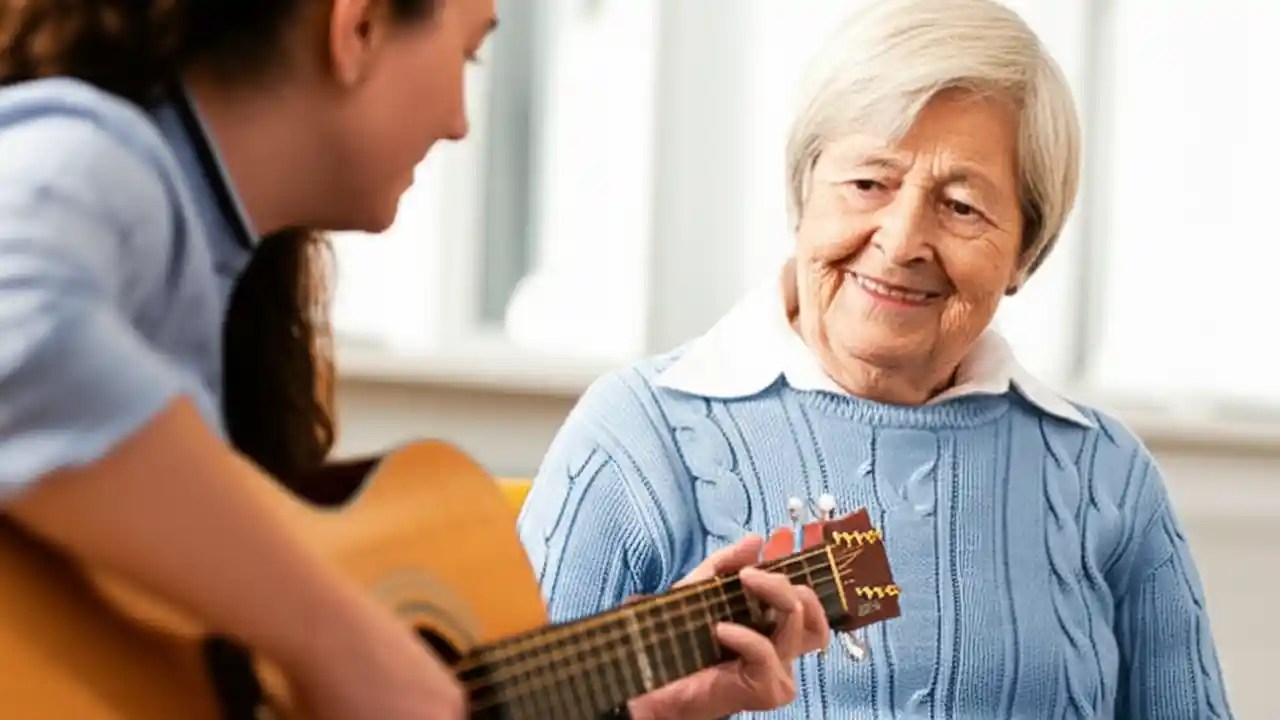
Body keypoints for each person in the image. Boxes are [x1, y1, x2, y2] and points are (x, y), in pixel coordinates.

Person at [0, 1, 828, 718]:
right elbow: (20, 330)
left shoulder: (220, 269)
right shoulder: (98, 153)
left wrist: (632, 706)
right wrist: (340, 640)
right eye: (467, 53)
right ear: (357, 26)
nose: (461, 121)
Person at [517, 0, 1235, 717]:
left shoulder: (1106, 476)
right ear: (804, 191)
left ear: (1025, 252)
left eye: (960, 206)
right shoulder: (637, 439)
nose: (900, 241)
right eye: (868, 183)